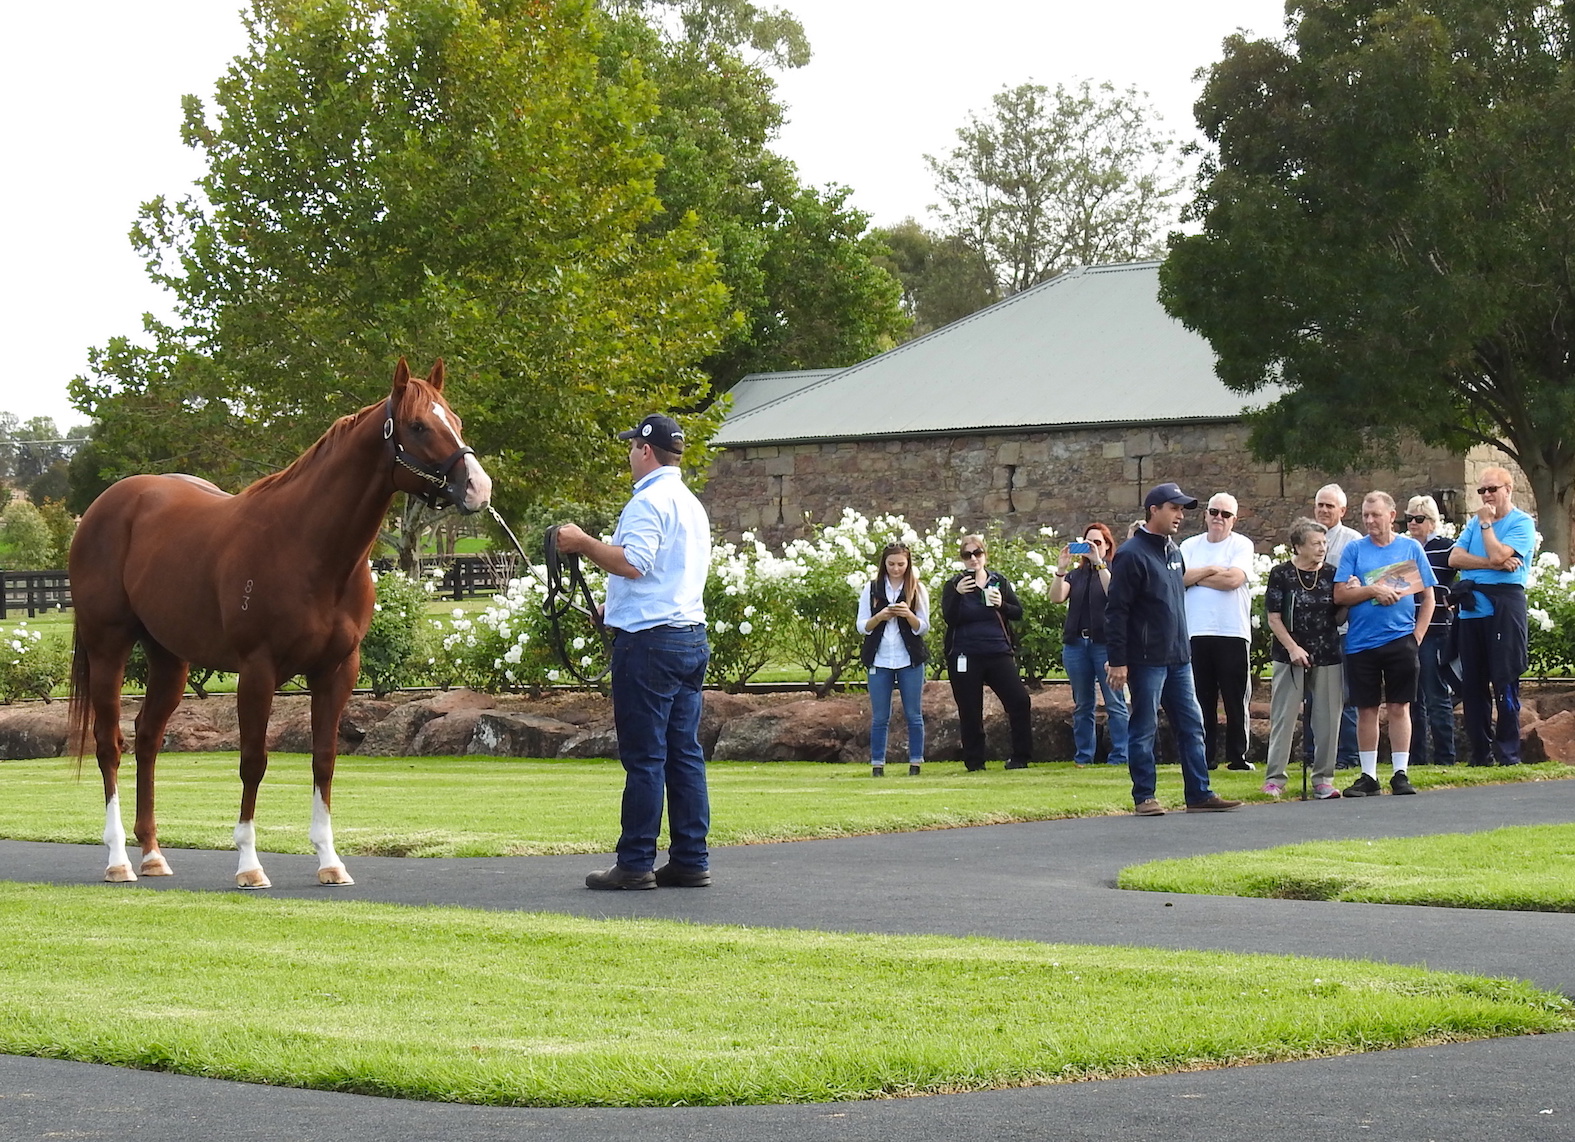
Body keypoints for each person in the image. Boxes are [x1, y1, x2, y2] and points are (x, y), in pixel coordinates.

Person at [555, 414, 713, 890]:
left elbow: (634, 562)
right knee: (684, 753)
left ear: (646, 450)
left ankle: (635, 862)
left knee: (645, 756)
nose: (628, 455)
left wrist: (582, 543)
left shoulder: (648, 502)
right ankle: (690, 857)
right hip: (688, 634)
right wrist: (615, 606)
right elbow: (666, 573)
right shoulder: (689, 502)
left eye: (631, 448)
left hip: (649, 645)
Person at [1104, 482, 1242, 816]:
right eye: (1174, 508)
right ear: (1154, 510)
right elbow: (1116, 611)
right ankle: (1144, 796)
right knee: (1144, 727)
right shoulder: (1131, 554)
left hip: (1179, 657)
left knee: (1193, 725)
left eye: (1182, 510)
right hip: (1146, 659)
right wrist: (1118, 661)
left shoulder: (1173, 551)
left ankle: (1199, 792)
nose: (1180, 515)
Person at [1333, 491, 1436, 797]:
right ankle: (1368, 775)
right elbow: (1340, 595)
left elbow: (1428, 597)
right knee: (1366, 708)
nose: (1369, 521)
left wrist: (1416, 637)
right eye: (1365, 515)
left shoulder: (1410, 547)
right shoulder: (1354, 550)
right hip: (1361, 642)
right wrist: (1372, 590)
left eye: (1375, 515)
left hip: (1400, 639)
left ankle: (1400, 773)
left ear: (1392, 516)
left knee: (1399, 706)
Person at [1448, 468, 1534, 766]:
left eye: (1492, 489)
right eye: (1482, 490)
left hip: (1504, 609)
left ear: (1508, 489)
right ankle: (1480, 754)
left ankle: (1508, 753)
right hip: (1473, 611)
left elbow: (1501, 554)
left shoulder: (1521, 523)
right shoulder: (1473, 524)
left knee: (1505, 680)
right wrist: (1492, 564)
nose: (1486, 496)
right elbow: (1455, 558)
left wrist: (1487, 526)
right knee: (1473, 684)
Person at [1262, 519, 1346, 799]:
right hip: (1289, 655)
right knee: (1284, 717)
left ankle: (1323, 778)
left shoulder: (1333, 574)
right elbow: (1273, 618)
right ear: (1298, 546)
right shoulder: (1281, 574)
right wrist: (1293, 648)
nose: (1322, 548)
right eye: (1315, 543)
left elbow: (1339, 618)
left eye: (1324, 543)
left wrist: (1348, 599)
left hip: (1327, 652)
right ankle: (1275, 778)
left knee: (1328, 718)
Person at [941, 533, 1034, 770]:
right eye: (967, 555)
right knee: (970, 709)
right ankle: (975, 762)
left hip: (997, 651)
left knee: (1019, 700)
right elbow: (949, 618)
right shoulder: (953, 585)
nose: (973, 559)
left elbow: (1017, 612)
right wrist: (958, 595)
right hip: (965, 654)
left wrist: (1001, 603)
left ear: (985, 555)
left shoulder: (998, 581)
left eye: (977, 553)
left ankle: (1020, 757)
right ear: (962, 559)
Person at [1178, 492, 1256, 772]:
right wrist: (1213, 569)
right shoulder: (1189, 545)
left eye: (1225, 514)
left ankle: (1238, 757)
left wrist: (1197, 578)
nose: (1218, 518)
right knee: (1201, 699)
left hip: (1231, 631)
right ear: (1205, 514)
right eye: (1214, 512)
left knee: (1235, 699)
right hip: (1196, 631)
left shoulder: (1242, 545)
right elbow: (1179, 578)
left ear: (1234, 519)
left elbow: (1234, 579)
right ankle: (1206, 756)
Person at [1050, 522, 1128, 767]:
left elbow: (1113, 592)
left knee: (1114, 703)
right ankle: (1084, 756)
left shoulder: (1114, 569)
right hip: (1076, 644)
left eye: (1097, 543)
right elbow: (1056, 597)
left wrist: (1099, 562)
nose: (1092, 547)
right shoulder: (1077, 574)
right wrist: (1061, 569)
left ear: (1107, 546)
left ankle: (1120, 755)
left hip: (1104, 644)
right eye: (1087, 543)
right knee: (1083, 704)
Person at [858, 542, 930, 777]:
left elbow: (923, 627)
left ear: (908, 564)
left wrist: (908, 615)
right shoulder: (871, 589)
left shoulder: (917, 589)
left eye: (901, 564)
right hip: (880, 659)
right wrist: (880, 616)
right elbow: (862, 626)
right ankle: (878, 763)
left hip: (908, 659)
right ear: (884, 564)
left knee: (913, 713)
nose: (896, 569)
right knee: (880, 716)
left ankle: (915, 762)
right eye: (891, 564)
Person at [1405, 495, 1458, 766]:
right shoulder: (1404, 548)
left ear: (1432, 521)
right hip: (1406, 629)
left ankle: (1445, 757)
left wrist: (1453, 598)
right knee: (1412, 699)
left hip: (1435, 630)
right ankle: (1416, 757)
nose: (1413, 523)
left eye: (1419, 518)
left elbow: (1465, 573)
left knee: (1436, 695)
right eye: (1409, 518)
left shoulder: (1446, 548)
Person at [1313, 484, 1363, 770]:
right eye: (1320, 505)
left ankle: (1348, 755)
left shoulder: (1352, 541)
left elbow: (1356, 583)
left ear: (1342, 511)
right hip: (1312, 631)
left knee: (1344, 695)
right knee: (1313, 696)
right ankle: (1314, 753)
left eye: (1330, 506)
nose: (1323, 510)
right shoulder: (1307, 537)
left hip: (1343, 630)